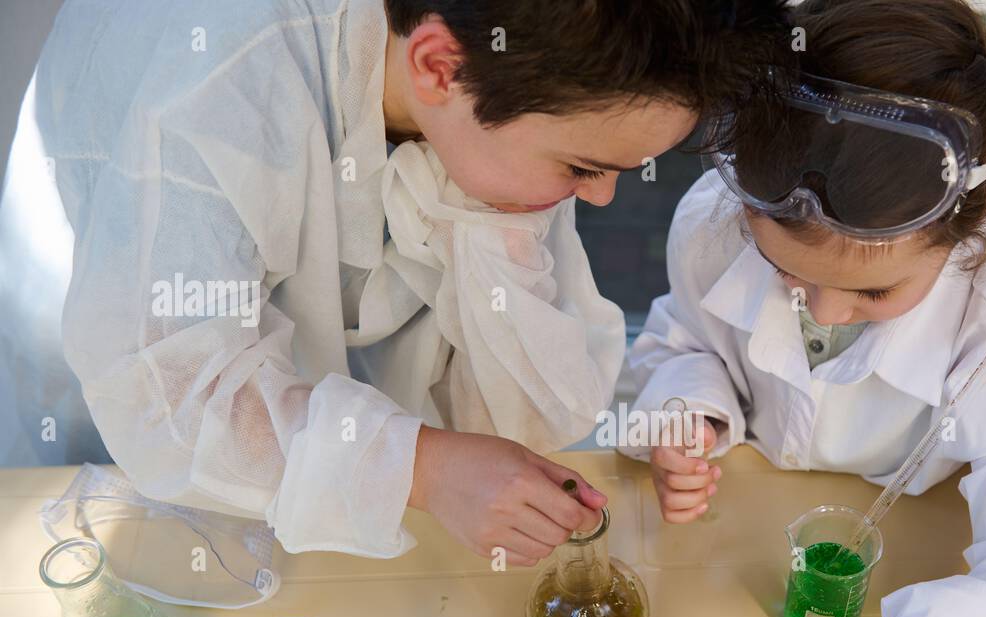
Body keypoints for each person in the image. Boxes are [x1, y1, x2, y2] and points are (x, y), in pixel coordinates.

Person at [0, 0, 789, 565]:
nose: (604, 197)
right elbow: (169, 393)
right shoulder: (213, 86)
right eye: (583, 168)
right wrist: (420, 467)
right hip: (125, 287)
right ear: (439, 66)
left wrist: (423, 458)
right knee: (147, 554)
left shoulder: (507, 70)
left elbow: (531, 380)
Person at [623, 0, 986, 617]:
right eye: (785, 272)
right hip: (744, 515)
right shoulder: (715, 222)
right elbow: (682, 338)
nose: (821, 307)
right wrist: (692, 414)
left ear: (982, 210)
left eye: (872, 295)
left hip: (907, 529)